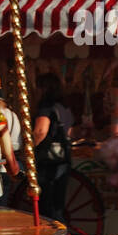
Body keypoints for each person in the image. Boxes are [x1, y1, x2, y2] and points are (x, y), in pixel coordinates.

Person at [33, 72, 71, 222]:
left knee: (47, 206)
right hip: (64, 157)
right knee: (58, 204)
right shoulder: (64, 106)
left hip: (49, 161)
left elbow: (41, 131)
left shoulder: (46, 107)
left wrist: (28, 148)